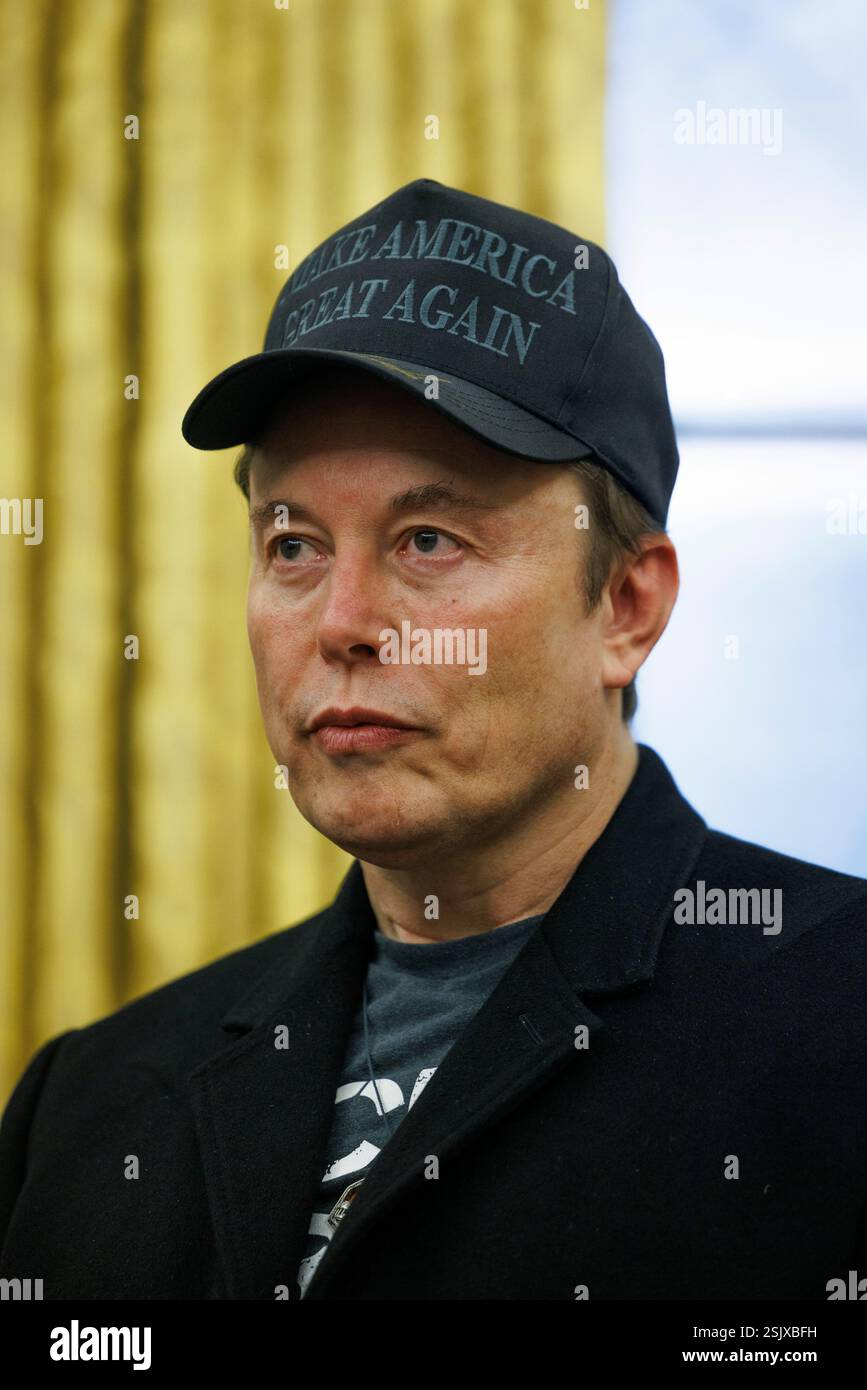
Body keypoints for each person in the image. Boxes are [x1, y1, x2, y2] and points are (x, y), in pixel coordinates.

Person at [1, 179, 865, 1302]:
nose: (344, 622)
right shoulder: (87, 1101)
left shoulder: (838, 1032)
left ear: (627, 607)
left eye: (429, 538)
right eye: (294, 544)